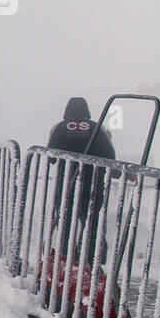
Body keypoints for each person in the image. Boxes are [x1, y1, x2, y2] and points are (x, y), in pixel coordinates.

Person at [46, 96, 116, 266]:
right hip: (93, 184)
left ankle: (65, 257)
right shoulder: (98, 129)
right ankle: (91, 259)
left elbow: (51, 157)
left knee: (65, 220)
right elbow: (110, 157)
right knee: (91, 222)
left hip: (66, 183)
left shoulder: (59, 128)